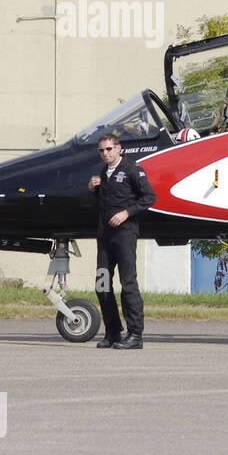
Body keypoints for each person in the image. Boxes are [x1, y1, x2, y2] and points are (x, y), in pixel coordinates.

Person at [89, 134, 156, 350]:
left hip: (125, 234)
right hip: (105, 236)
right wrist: (93, 189)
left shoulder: (131, 169)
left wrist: (127, 213)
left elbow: (149, 197)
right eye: (102, 151)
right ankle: (113, 332)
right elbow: (107, 200)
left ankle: (135, 334)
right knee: (102, 284)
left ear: (119, 148)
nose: (105, 154)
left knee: (128, 284)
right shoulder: (103, 173)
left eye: (109, 149)